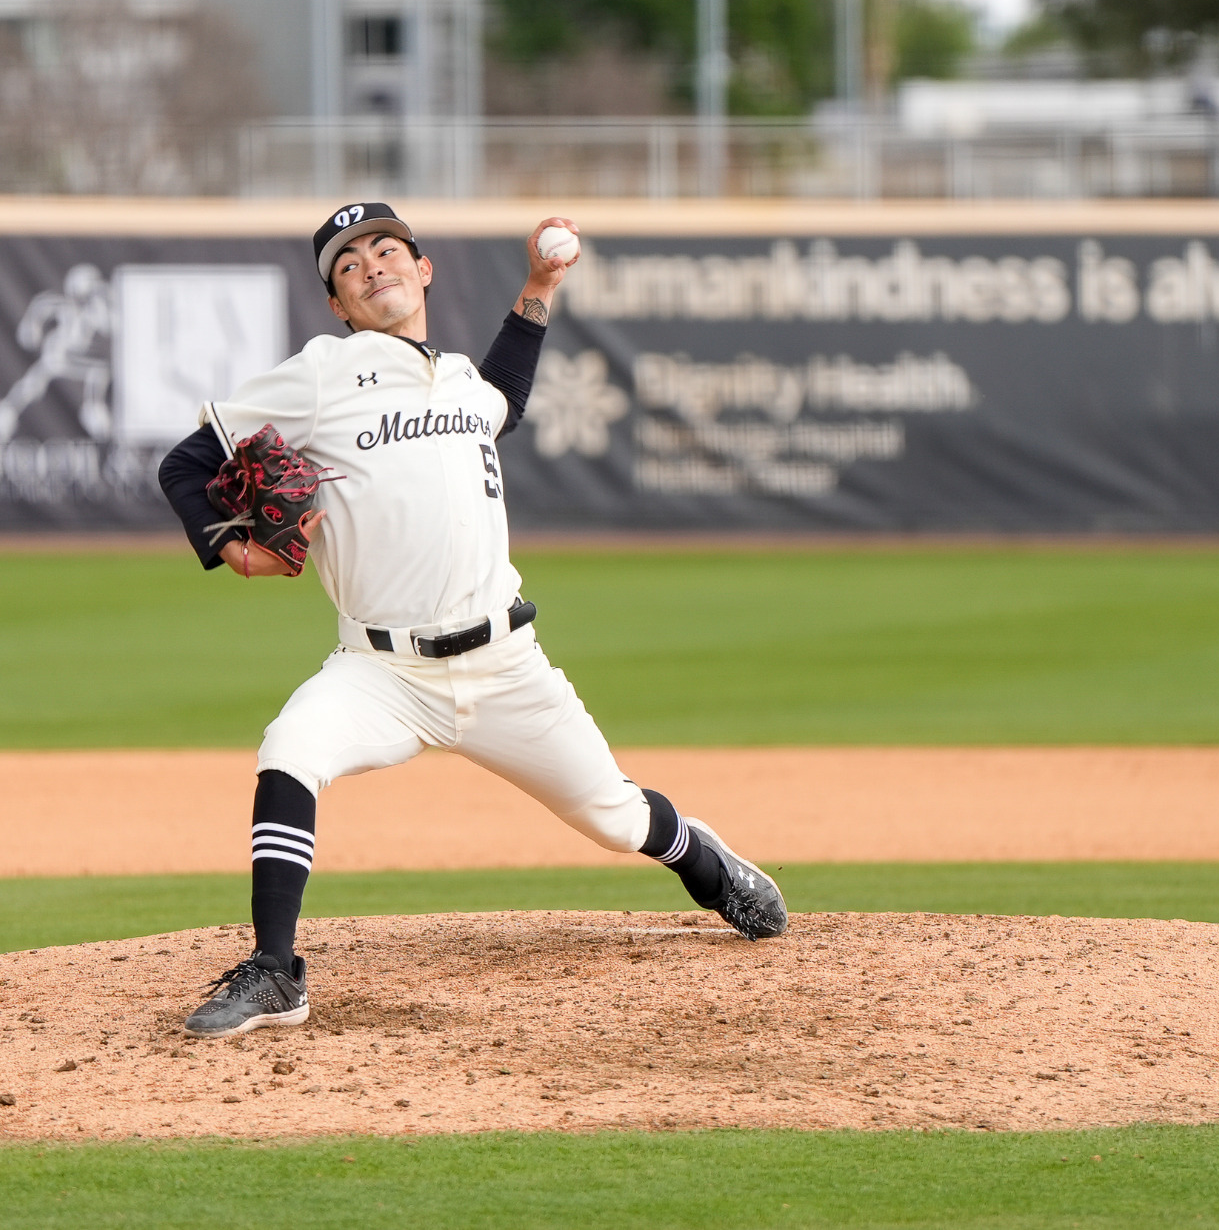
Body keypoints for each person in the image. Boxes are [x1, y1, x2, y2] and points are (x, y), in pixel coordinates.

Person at [155, 202, 786, 1039]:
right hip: (380, 671)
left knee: (613, 814)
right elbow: (187, 461)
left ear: (423, 270)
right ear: (338, 305)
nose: (372, 266)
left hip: (504, 667)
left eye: (386, 250)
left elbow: (504, 401)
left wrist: (539, 286)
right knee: (289, 749)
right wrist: (233, 548)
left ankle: (706, 864)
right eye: (349, 265)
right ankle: (275, 972)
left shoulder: (459, 379)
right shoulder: (320, 374)